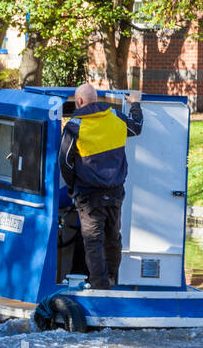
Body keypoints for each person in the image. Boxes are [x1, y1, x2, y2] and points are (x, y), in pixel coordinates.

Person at [58, 83, 143, 289]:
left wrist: (73, 188)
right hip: (115, 192)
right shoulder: (114, 117)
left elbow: (65, 162)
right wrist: (135, 104)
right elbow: (136, 126)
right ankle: (112, 281)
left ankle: (99, 287)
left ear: (79, 102)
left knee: (93, 241)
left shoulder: (74, 126)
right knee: (113, 239)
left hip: (88, 195)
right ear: (96, 99)